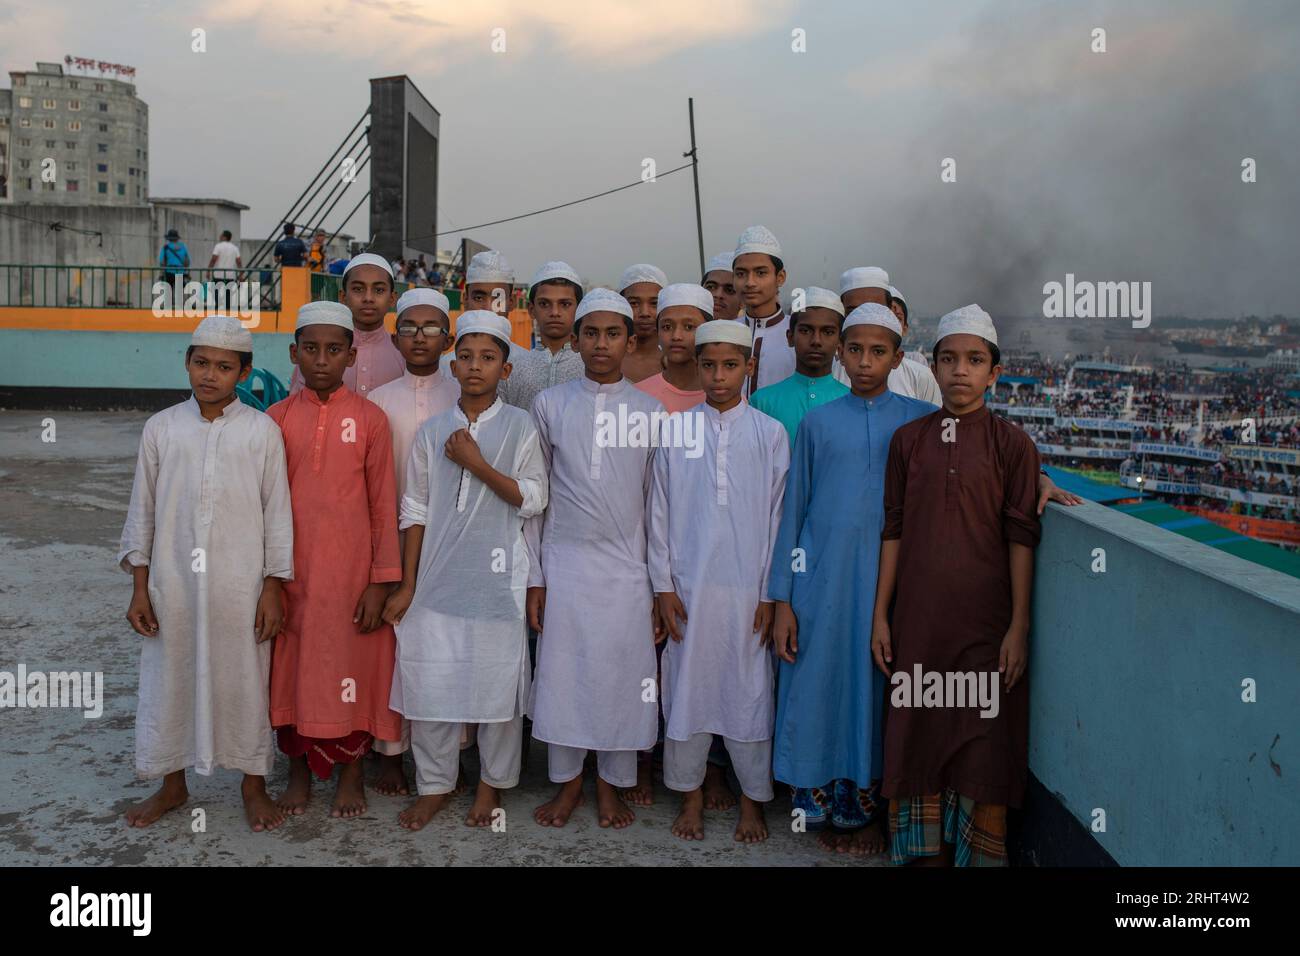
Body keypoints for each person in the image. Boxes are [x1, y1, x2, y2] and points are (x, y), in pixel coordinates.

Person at [872, 304, 1042, 867]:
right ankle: (921, 857)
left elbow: (1022, 539)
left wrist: (1019, 626)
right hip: (917, 623)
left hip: (986, 626)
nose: (959, 372)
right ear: (933, 366)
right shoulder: (908, 441)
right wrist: (882, 614)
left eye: (973, 360)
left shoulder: (1014, 446)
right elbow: (892, 529)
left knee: (983, 745)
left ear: (994, 372)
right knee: (916, 734)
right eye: (948, 359)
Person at [769, 303, 936, 855]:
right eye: (856, 350)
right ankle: (811, 790)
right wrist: (784, 599)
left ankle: (860, 796)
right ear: (842, 353)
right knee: (816, 678)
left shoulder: (918, 421)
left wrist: (1039, 476)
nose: (865, 362)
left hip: (888, 581)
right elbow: (794, 511)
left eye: (878, 352)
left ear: (897, 357)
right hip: (819, 578)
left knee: (871, 684)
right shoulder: (818, 424)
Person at [119, 315, 293, 832]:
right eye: (200, 363)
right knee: (169, 676)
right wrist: (139, 588)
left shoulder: (262, 431)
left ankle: (253, 784)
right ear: (186, 363)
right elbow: (142, 512)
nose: (209, 375)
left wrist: (272, 587)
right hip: (171, 583)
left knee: (245, 680)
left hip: (241, 585)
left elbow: (277, 515)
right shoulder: (161, 428)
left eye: (223, 366)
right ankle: (172, 785)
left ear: (244, 372)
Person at [381, 311, 547, 830]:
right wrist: (408, 583)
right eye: (468, 357)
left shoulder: (522, 427)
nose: (476, 366)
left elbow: (534, 499)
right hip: (436, 580)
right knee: (431, 684)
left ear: (507, 369)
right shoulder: (433, 432)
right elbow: (414, 510)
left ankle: (490, 785)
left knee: (497, 687)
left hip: (497, 582)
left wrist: (477, 464)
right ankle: (435, 785)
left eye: (489, 357)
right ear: (453, 365)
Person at [525, 288, 664, 829]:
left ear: (631, 341)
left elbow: (658, 505)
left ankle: (611, 787)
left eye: (612, 334)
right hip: (565, 564)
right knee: (564, 676)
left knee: (620, 678)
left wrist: (659, 584)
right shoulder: (550, 405)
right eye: (591, 333)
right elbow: (537, 501)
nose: (601, 344)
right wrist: (536, 577)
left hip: (629, 570)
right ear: (576, 340)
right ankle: (568, 787)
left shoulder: (651, 412)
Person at [649, 319, 788, 843]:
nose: (719, 375)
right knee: (686, 690)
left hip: (749, 593)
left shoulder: (770, 435)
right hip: (688, 589)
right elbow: (658, 512)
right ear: (697, 367)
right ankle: (692, 797)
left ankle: (752, 803)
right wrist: (663, 586)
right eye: (709, 365)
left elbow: (778, 519)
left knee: (750, 692)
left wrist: (772, 594)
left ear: (748, 367)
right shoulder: (675, 429)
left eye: (731, 365)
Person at [266, 300, 403, 819]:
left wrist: (380, 581)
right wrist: (271, 581)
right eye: (311, 349)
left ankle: (350, 776)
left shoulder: (371, 420)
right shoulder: (274, 420)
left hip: (352, 575)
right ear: (294, 353)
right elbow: (266, 508)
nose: (321, 359)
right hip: (294, 572)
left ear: (351, 356)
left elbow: (382, 502)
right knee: (294, 669)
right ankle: (299, 774)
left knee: (355, 669)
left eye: (333, 349)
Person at [366, 287, 461, 795]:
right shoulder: (378, 402)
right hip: (395, 541)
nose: (419, 337)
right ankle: (390, 752)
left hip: (453, 544)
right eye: (409, 327)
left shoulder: (464, 393)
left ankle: (453, 751)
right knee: (394, 647)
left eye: (431, 328)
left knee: (447, 649)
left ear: (448, 339)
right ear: (394, 336)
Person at [289, 253, 405, 397]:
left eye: (379, 290)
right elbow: (297, 408)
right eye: (358, 289)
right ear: (343, 297)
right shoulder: (318, 354)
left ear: (392, 298)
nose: (368, 298)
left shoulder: (403, 353)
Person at [749, 286, 849, 446]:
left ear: (840, 341)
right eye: (806, 330)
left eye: (828, 332)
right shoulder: (762, 402)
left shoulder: (853, 402)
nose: (816, 340)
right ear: (790, 337)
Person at [838, 267, 942, 405]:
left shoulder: (920, 378)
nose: (863, 317)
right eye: (853, 311)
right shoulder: (829, 375)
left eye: (874, 309)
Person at [500, 261, 586, 411]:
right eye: (545, 304)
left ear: (579, 309)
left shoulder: (591, 367)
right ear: (532, 310)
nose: (554, 312)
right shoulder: (511, 369)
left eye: (564, 304)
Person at [439, 249, 528, 375]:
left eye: (497, 299)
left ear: (511, 302)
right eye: (479, 298)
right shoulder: (444, 368)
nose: (488, 308)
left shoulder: (528, 365)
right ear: (465, 300)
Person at [732, 226, 794, 396]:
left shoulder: (796, 334)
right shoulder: (726, 332)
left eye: (760, 273)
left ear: (780, 278)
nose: (749, 282)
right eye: (741, 274)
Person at [634, 283, 710, 413]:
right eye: (667, 327)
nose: (676, 336)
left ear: (708, 330)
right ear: (657, 331)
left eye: (689, 327)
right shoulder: (637, 395)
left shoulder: (724, 397)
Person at [619, 263, 668, 383]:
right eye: (634, 303)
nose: (644, 313)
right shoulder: (606, 360)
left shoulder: (677, 361)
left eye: (654, 303)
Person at [701, 251, 742, 322]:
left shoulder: (750, 332)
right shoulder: (682, 332)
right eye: (711, 287)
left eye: (729, 290)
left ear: (743, 302)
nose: (718, 295)